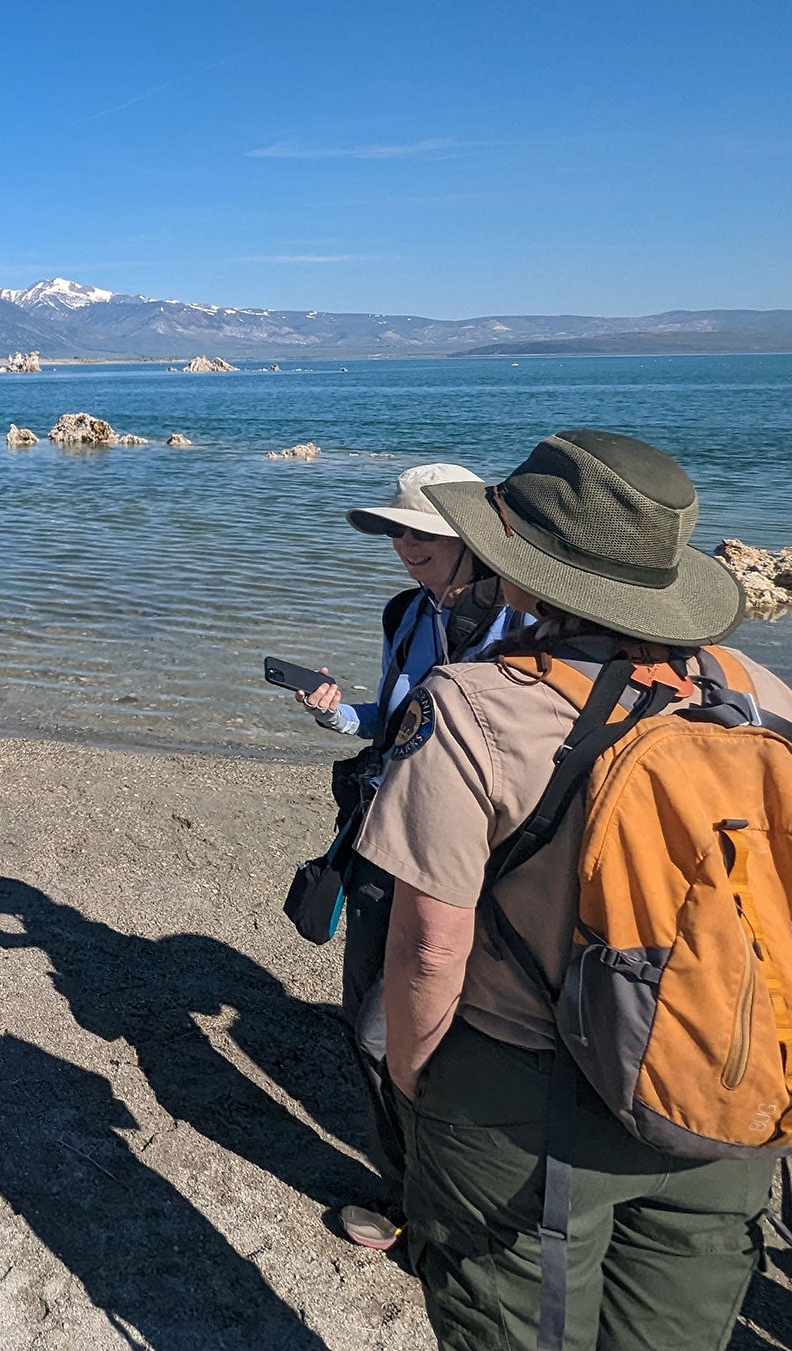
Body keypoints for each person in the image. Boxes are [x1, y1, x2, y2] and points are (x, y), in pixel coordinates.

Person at [360, 431, 792, 1350]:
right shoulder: (762, 693)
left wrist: (413, 1075)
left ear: (519, 567)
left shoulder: (474, 706)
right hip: (724, 1074)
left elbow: (429, 945)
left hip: (526, 1086)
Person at [288, 461, 524, 1252]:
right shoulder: (408, 612)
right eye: (395, 529)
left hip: (474, 863)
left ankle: (437, 1205)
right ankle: (408, 1188)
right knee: (366, 1017)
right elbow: (396, 724)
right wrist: (334, 715)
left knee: (388, 1036)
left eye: (422, 532)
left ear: (472, 539)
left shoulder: (524, 628)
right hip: (383, 841)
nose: (404, 544)